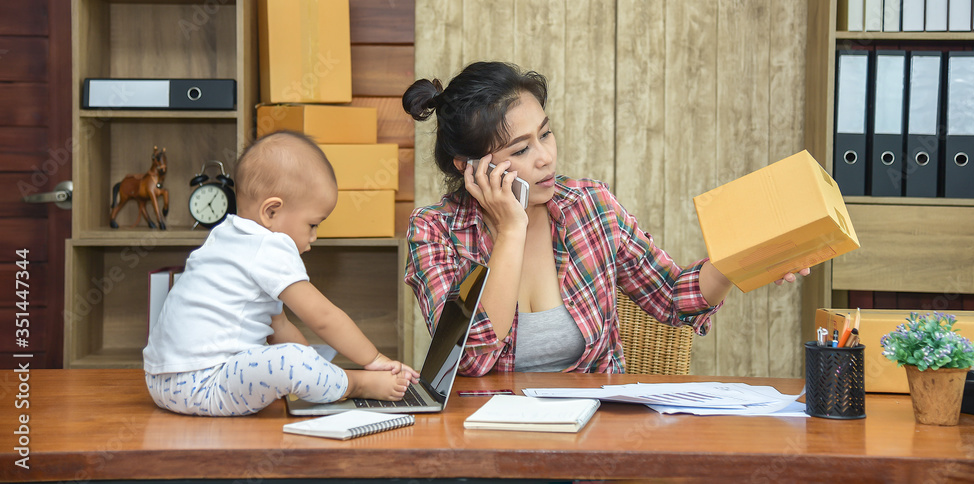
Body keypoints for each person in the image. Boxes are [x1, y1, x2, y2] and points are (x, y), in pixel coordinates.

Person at [402, 61, 808, 376]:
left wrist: (746, 260)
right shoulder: (434, 231)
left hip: (588, 439)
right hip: (484, 445)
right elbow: (471, 357)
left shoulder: (588, 207)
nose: (545, 156)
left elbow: (671, 295)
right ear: (470, 167)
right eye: (520, 150)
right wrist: (511, 230)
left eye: (545, 134)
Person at [143, 130, 418, 416]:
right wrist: (373, 359)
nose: (313, 237)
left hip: (163, 381)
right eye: (313, 224)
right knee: (294, 361)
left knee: (308, 356)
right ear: (271, 212)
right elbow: (323, 317)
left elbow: (278, 328)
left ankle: (331, 379)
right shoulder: (269, 247)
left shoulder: (227, 236)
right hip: (205, 383)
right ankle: (355, 384)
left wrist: (319, 371)